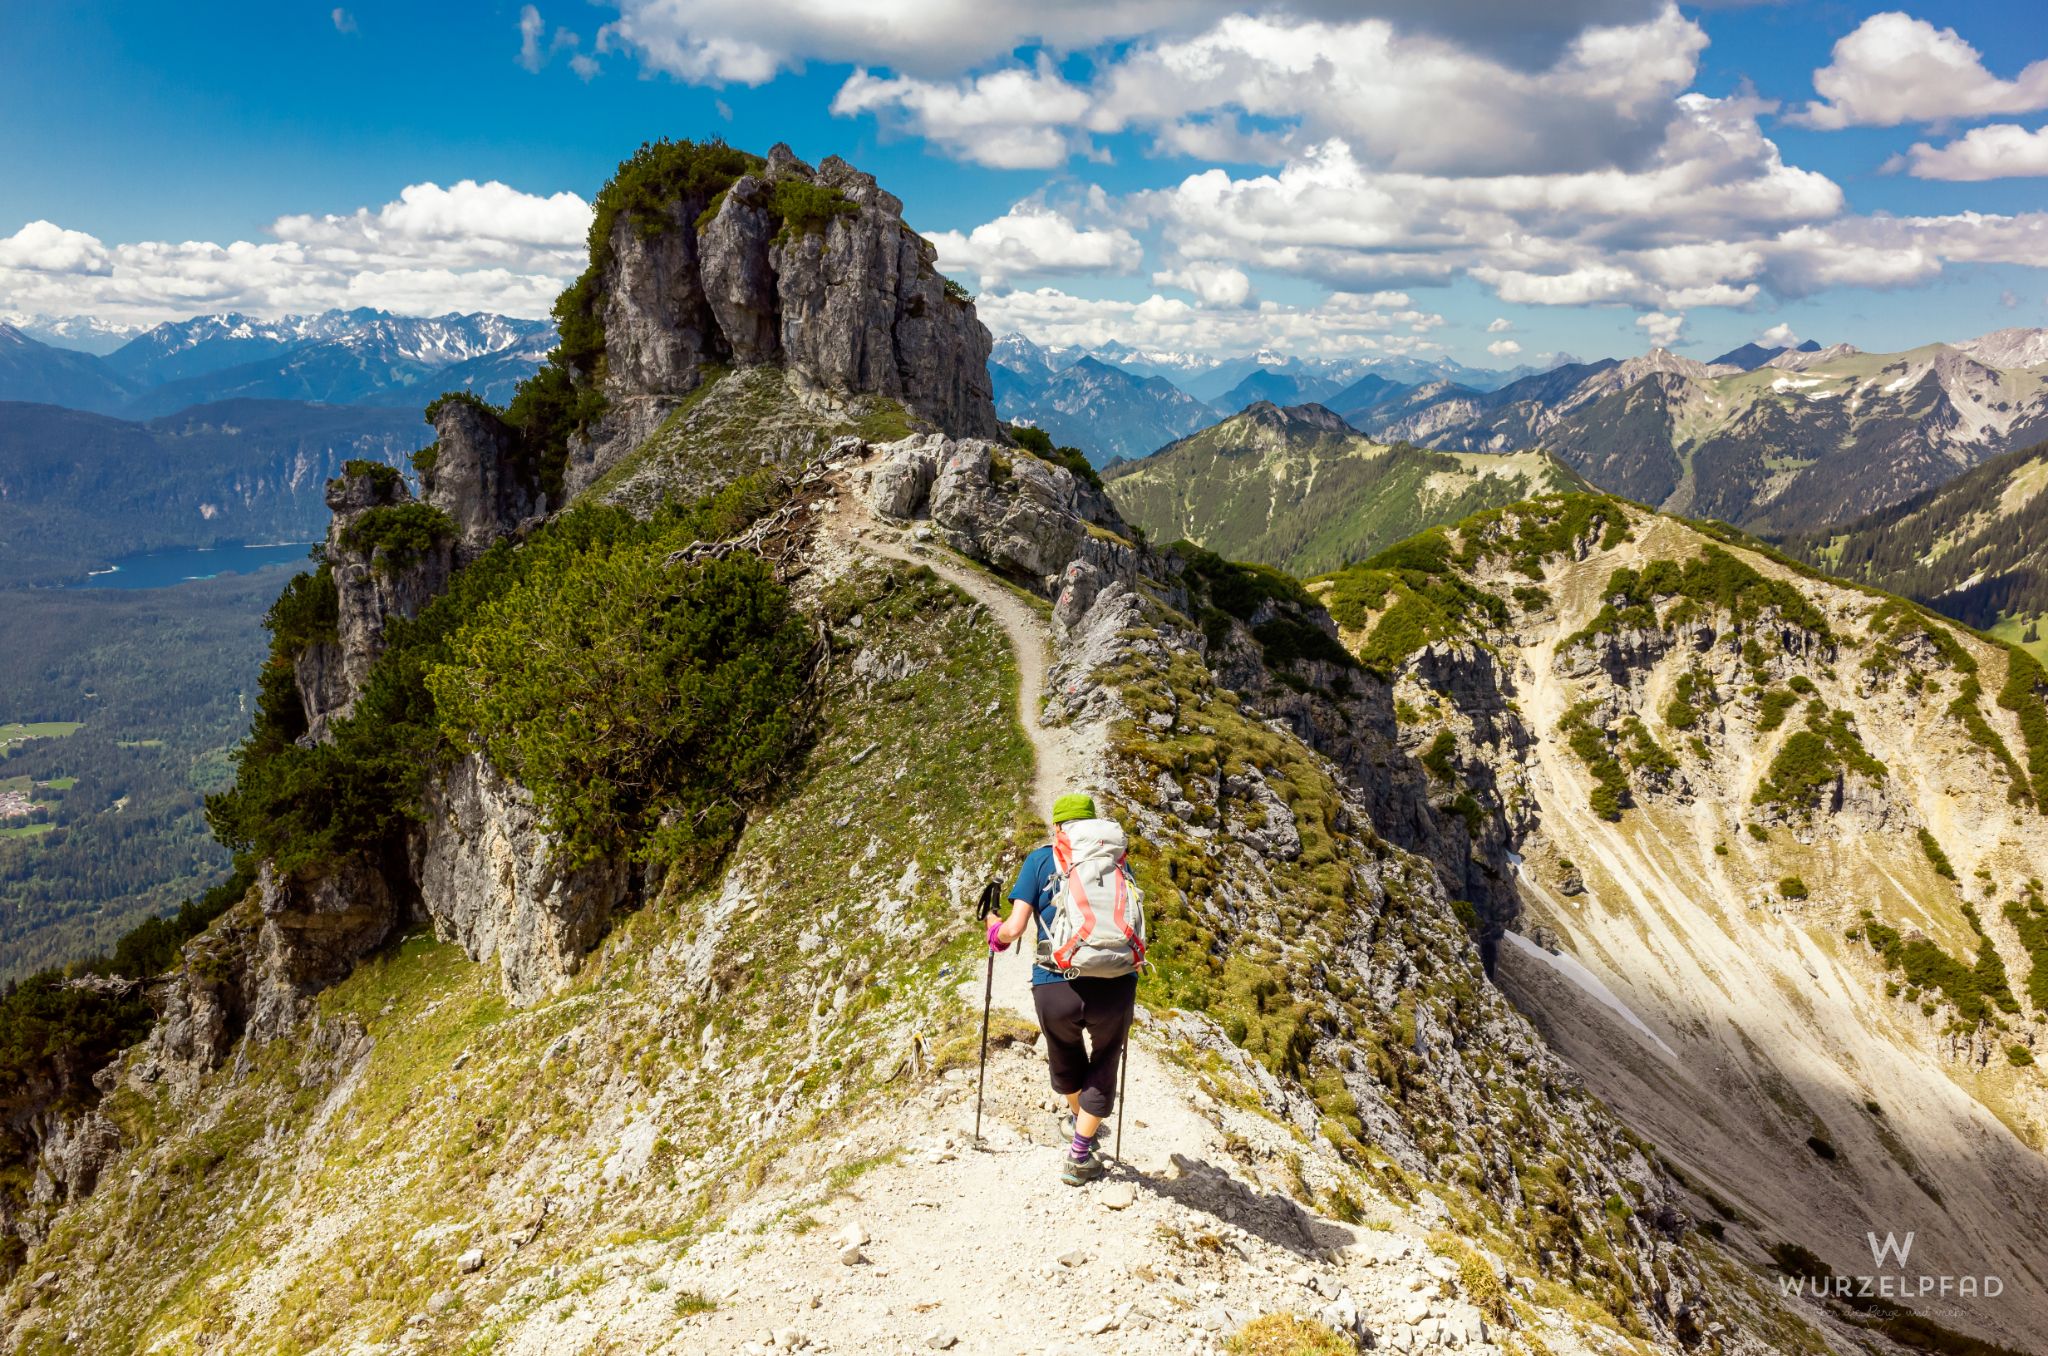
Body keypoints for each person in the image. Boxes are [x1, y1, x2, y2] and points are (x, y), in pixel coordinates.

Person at [987, 792, 1140, 1185]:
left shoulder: (1041, 859)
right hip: (1115, 981)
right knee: (1105, 1060)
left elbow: (1014, 928)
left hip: (1056, 983)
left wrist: (994, 932)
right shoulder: (1116, 861)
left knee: (1066, 1055)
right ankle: (1080, 1149)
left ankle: (1078, 1125)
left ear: (1058, 827)